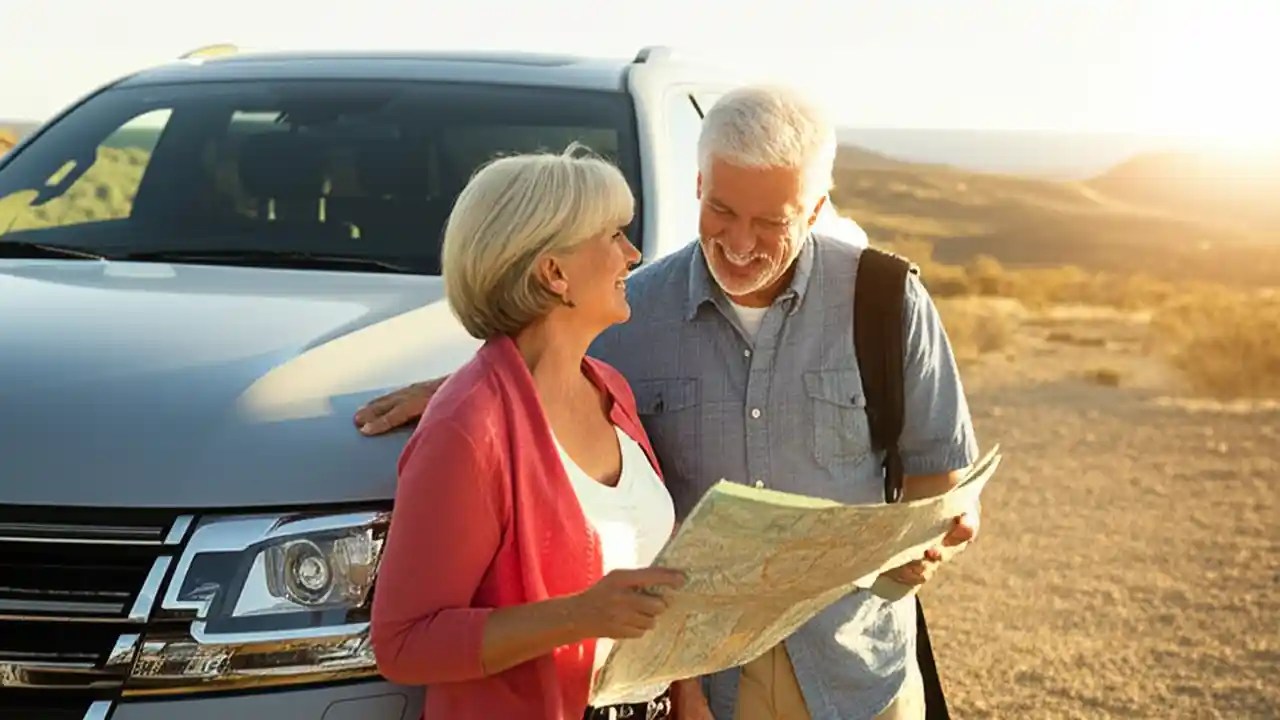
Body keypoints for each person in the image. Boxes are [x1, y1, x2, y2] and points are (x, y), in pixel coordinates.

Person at [358, 85, 981, 720]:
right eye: (722, 209)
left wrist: (929, 548)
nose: (740, 241)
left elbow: (942, 484)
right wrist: (454, 393)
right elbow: (531, 372)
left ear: (817, 208)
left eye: (772, 222)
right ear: (699, 184)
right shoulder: (633, 315)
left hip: (852, 669)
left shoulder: (886, 302)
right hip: (705, 678)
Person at [368, 146, 713, 719]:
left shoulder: (611, 390)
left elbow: (646, 586)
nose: (632, 254)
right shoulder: (468, 428)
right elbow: (405, 644)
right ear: (554, 273)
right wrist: (579, 615)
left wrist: (688, 695)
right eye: (613, 237)